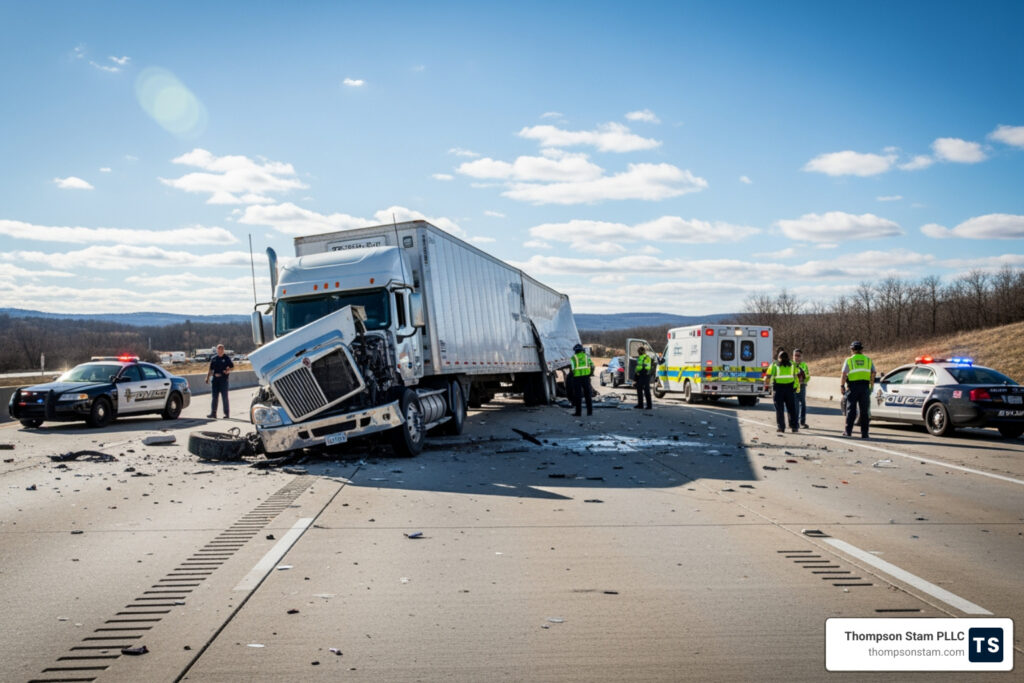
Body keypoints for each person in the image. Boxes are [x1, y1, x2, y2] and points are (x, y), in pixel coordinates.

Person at [841, 340, 874, 439]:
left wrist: (842, 386)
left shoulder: (849, 360)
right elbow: (873, 372)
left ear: (852, 349)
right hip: (865, 387)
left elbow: (843, 374)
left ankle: (848, 431)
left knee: (851, 410)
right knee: (864, 411)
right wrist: (871, 386)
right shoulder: (868, 360)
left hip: (853, 387)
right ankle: (865, 433)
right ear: (861, 349)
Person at [764, 347, 801, 433]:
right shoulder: (792, 365)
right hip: (789, 389)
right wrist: (795, 387)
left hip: (778, 389)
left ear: (779, 357)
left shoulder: (774, 365)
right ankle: (794, 427)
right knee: (791, 409)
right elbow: (796, 376)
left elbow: (768, 376)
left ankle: (781, 427)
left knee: (779, 409)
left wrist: (766, 384)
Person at [205, 344, 234, 418]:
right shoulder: (214, 358)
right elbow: (210, 369)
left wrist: (228, 371)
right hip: (215, 380)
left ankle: (226, 413)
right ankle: (213, 413)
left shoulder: (226, 358)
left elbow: (232, 367)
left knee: (224, 397)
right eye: (219, 349)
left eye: (221, 349)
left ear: (223, 350)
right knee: (214, 397)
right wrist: (207, 378)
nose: (220, 350)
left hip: (223, 380)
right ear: (217, 350)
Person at [569, 343, 594, 417]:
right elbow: (592, 366)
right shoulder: (586, 357)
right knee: (588, 395)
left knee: (578, 396)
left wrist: (573, 375)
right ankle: (589, 412)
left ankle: (578, 413)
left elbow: (572, 369)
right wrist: (589, 374)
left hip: (577, 378)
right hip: (586, 377)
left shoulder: (573, 358)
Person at [793, 348, 810, 428]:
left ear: (801, 356)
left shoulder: (804, 365)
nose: (796, 357)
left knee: (802, 404)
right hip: (793, 387)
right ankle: (795, 422)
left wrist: (803, 377)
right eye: (795, 355)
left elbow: (807, 375)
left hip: (802, 386)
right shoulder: (790, 364)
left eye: (798, 356)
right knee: (795, 405)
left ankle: (802, 422)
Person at [634, 345, 653, 410]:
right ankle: (642, 405)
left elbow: (641, 366)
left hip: (643, 374)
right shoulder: (645, 357)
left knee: (644, 390)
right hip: (644, 374)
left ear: (640, 351)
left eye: (638, 351)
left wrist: (637, 372)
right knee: (642, 390)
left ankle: (646, 405)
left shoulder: (643, 358)